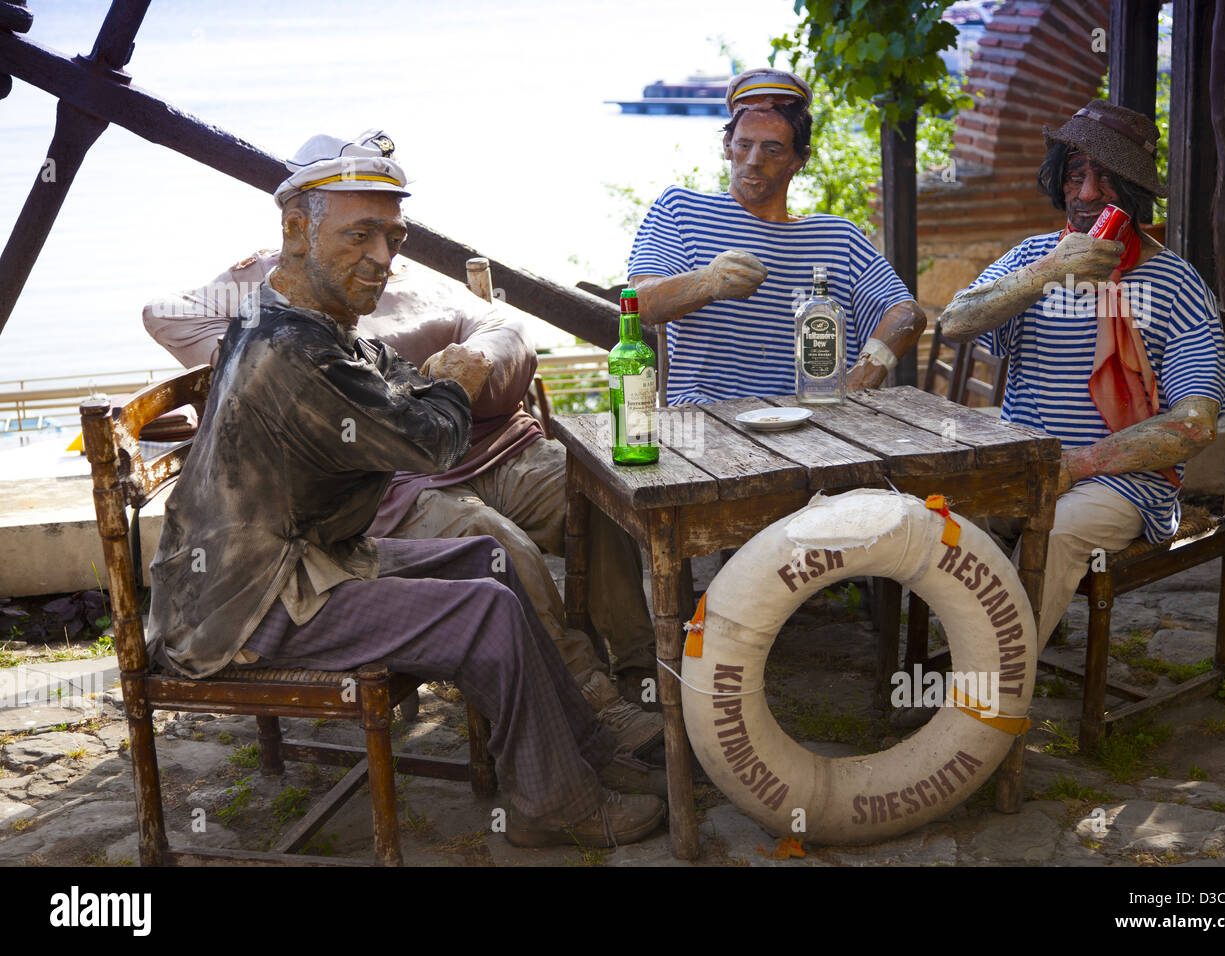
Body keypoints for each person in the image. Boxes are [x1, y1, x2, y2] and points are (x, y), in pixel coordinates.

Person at [146, 130, 664, 847]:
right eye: (361, 234)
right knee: (484, 611)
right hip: (243, 608)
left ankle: (585, 748)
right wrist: (455, 382)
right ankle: (556, 803)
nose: (384, 258)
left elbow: (391, 376)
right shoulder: (293, 351)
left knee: (494, 563)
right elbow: (432, 441)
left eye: (394, 237)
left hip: (297, 568)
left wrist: (436, 379)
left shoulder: (299, 322)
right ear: (295, 231)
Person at [936, 101, 1225, 648]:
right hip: (1026, 464)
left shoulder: (1177, 283)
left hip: (1123, 482)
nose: (1088, 193)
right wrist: (1046, 273)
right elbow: (954, 322)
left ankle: (983, 705)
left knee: (1059, 530)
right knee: (938, 514)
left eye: (1106, 180)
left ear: (1135, 195)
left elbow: (1194, 424)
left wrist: (1075, 467)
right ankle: (983, 653)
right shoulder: (1032, 258)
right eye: (1076, 176)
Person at [626, 68, 928, 405]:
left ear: (800, 160)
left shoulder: (837, 238)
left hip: (808, 425)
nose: (753, 161)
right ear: (727, 146)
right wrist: (707, 282)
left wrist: (859, 382)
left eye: (772, 150)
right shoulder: (681, 210)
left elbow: (907, 314)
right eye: (743, 145)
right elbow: (638, 306)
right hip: (705, 420)